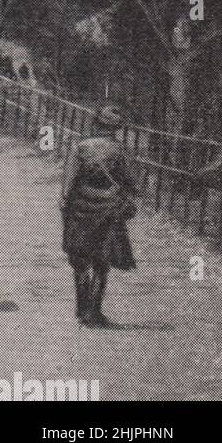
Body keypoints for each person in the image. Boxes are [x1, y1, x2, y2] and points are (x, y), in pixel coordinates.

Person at [61, 105, 137, 327]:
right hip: (108, 208)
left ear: (96, 125)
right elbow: (131, 181)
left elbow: (69, 180)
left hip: (81, 206)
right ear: (115, 129)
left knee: (80, 259)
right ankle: (94, 311)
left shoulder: (80, 147)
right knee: (101, 262)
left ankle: (81, 307)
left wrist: (65, 202)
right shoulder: (120, 151)